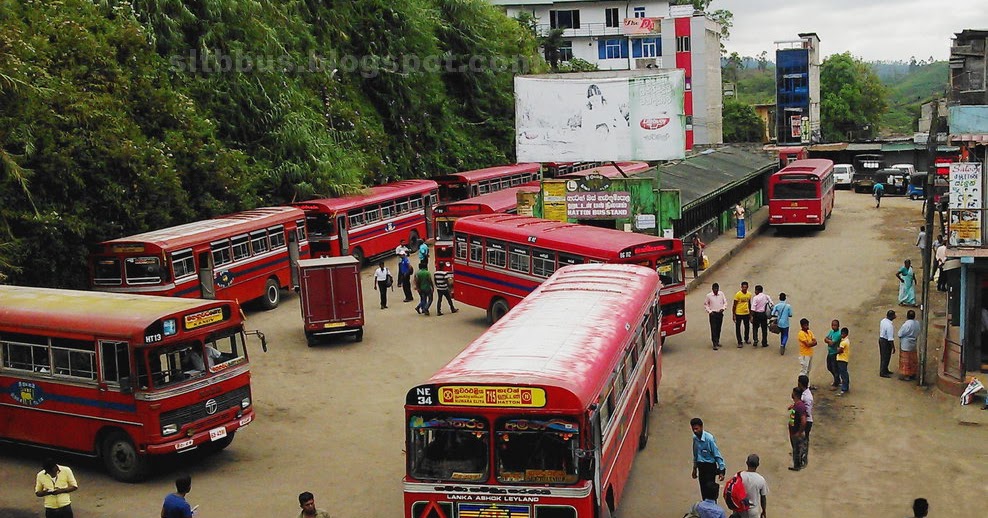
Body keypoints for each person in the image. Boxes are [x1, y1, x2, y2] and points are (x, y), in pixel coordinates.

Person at [690, 418, 726, 496]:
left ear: (701, 427)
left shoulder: (709, 439)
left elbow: (717, 455)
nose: (695, 431)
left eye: (696, 429)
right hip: (701, 467)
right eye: (693, 429)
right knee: (703, 490)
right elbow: (695, 454)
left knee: (710, 492)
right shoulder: (695, 438)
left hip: (710, 468)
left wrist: (722, 471)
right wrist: (694, 468)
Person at [739, 454, 768, 518]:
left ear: (746, 463)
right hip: (753, 511)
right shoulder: (761, 479)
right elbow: (763, 498)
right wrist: (764, 510)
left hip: (740, 508)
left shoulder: (739, 476)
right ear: (758, 465)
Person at [787, 387, 808, 471]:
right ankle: (798, 463)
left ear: (795, 395)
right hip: (793, 431)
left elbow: (803, 421)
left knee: (797, 449)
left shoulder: (800, 406)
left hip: (795, 432)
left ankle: (797, 465)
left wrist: (799, 432)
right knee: (795, 448)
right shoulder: (797, 405)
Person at [898, 309, 921, 381]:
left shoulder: (906, 324)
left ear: (907, 316)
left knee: (906, 361)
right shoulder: (917, 323)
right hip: (913, 344)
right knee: (912, 360)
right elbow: (919, 331)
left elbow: (900, 334)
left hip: (906, 345)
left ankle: (906, 376)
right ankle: (913, 373)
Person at [704, 283, 728, 350]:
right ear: (712, 289)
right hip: (713, 314)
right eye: (714, 289)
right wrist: (710, 311)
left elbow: (725, 302)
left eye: (717, 289)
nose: (716, 290)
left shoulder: (721, 294)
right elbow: (706, 304)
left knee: (718, 328)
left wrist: (723, 308)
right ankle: (714, 343)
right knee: (713, 328)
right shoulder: (709, 296)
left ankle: (717, 341)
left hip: (720, 313)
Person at [797, 374, 814, 466]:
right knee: (802, 439)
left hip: (806, 421)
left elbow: (806, 412)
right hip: (805, 420)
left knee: (803, 440)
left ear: (800, 383)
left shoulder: (807, 397)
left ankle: (803, 459)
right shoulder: (805, 394)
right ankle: (799, 454)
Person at [824, 319, 843, 390]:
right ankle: (837, 379)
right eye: (832, 325)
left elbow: (832, 344)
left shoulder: (838, 334)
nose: (833, 327)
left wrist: (828, 341)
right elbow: (825, 339)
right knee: (829, 367)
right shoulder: (831, 331)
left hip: (834, 353)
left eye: (835, 325)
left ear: (838, 326)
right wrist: (829, 341)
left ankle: (836, 383)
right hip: (830, 352)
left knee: (835, 368)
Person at [732, 281, 753, 348]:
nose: (744, 289)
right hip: (738, 313)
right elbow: (734, 305)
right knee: (738, 327)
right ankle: (739, 341)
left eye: (746, 287)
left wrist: (750, 314)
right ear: (741, 287)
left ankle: (746, 338)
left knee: (747, 327)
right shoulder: (738, 294)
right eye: (743, 287)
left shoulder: (749, 294)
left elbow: (749, 304)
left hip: (746, 313)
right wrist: (734, 314)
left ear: (747, 287)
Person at [879, 310, 897, 378]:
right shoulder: (889, 326)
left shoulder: (883, 321)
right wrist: (893, 347)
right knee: (886, 357)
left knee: (884, 356)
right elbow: (890, 338)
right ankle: (883, 372)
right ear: (891, 316)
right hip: (886, 342)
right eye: (894, 315)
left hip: (881, 339)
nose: (895, 316)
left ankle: (885, 369)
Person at [836, 327, 851, 396]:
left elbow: (839, 350)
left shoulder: (844, 342)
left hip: (842, 359)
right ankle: (846, 386)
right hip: (844, 359)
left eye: (843, 334)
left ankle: (844, 388)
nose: (842, 335)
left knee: (843, 374)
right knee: (844, 373)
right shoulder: (846, 341)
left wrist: (837, 349)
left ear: (846, 334)